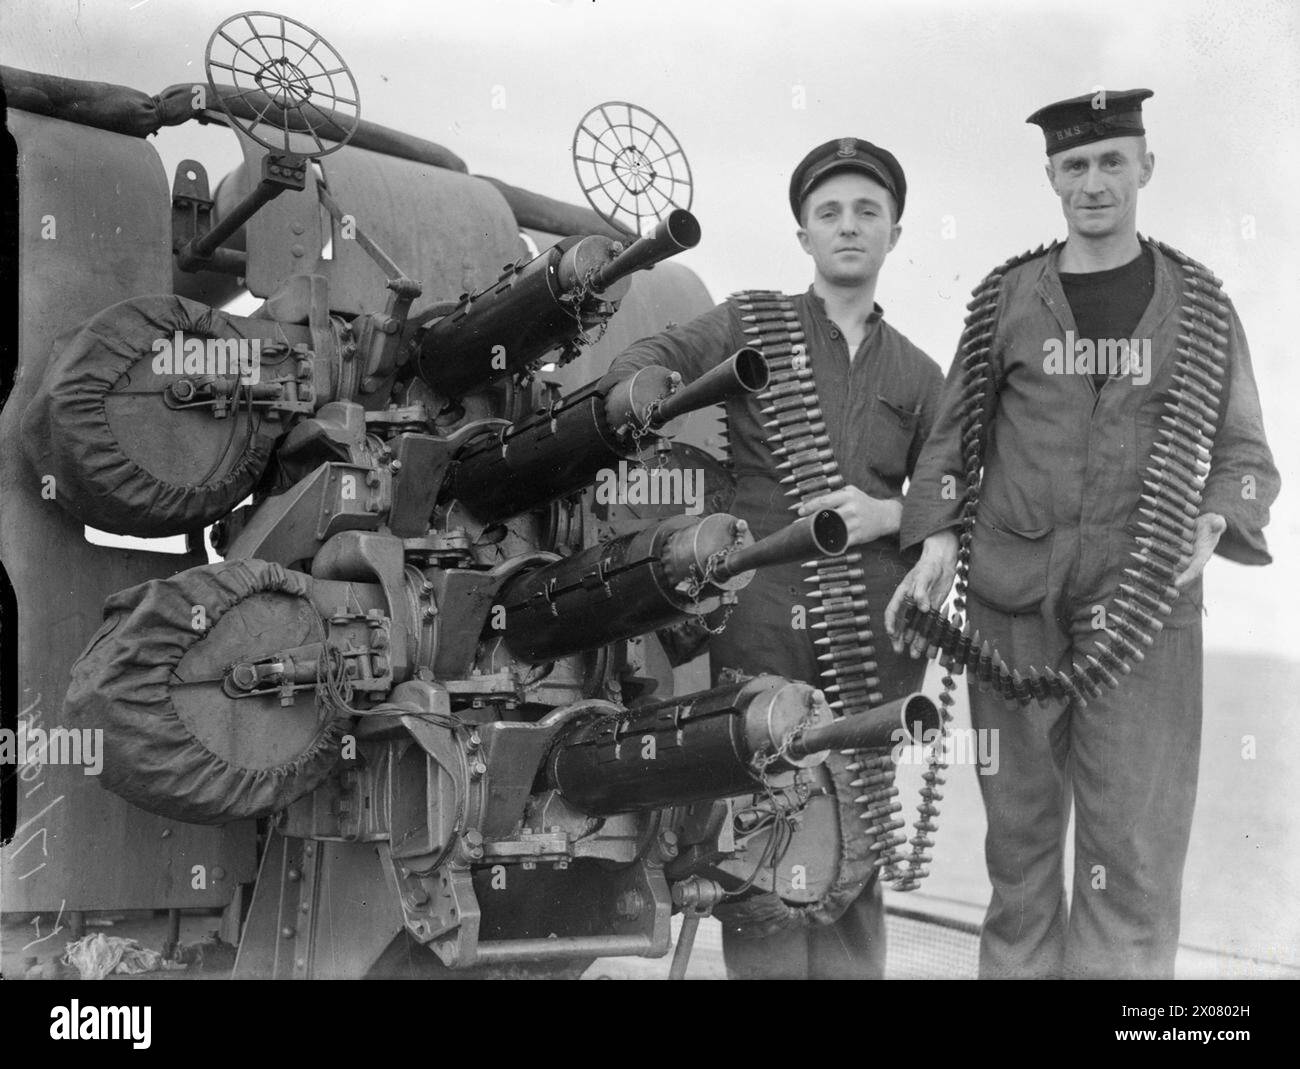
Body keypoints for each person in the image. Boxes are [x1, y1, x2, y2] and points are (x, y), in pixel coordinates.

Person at [885, 89, 1279, 979]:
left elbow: (1247, 453)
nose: (1094, 182)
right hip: (1009, 608)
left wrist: (1218, 516)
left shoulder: (1205, 308)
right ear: (1052, 178)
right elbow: (949, 443)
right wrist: (938, 540)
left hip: (1146, 614)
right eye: (1076, 166)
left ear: (1146, 165)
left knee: (1134, 862)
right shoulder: (1003, 300)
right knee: (1018, 862)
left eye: (1111, 160)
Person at [606, 138, 943, 979]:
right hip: (758, 635)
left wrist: (892, 511)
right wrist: (657, 431)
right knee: (762, 862)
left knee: (855, 867)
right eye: (829, 213)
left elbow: (961, 497)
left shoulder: (922, 373)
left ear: (895, 232)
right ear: (803, 236)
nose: (849, 227)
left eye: (868, 211)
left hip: (872, 648)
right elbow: (645, 364)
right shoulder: (751, 321)